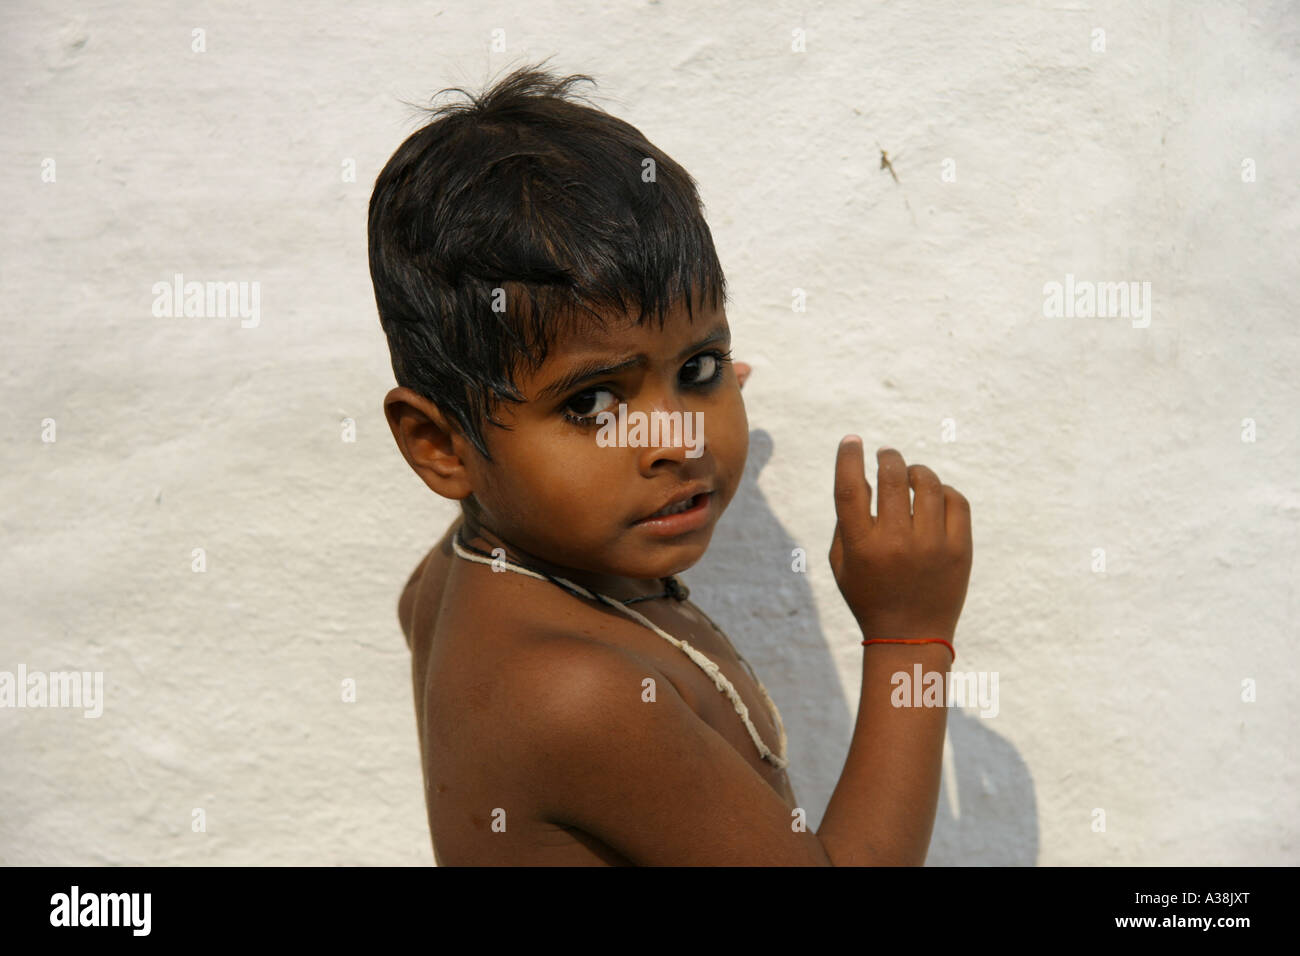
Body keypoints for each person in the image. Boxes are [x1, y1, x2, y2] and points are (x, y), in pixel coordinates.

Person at [371, 60, 973, 865]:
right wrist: (909, 636)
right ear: (439, 446)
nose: (681, 439)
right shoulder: (580, 697)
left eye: (699, 369)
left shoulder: (452, 577)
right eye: (592, 404)